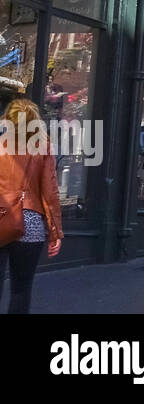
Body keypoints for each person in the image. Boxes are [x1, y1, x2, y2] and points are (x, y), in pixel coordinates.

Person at [0, 99, 62, 314]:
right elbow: (50, 191)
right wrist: (55, 233)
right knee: (21, 289)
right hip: (30, 223)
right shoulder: (43, 146)